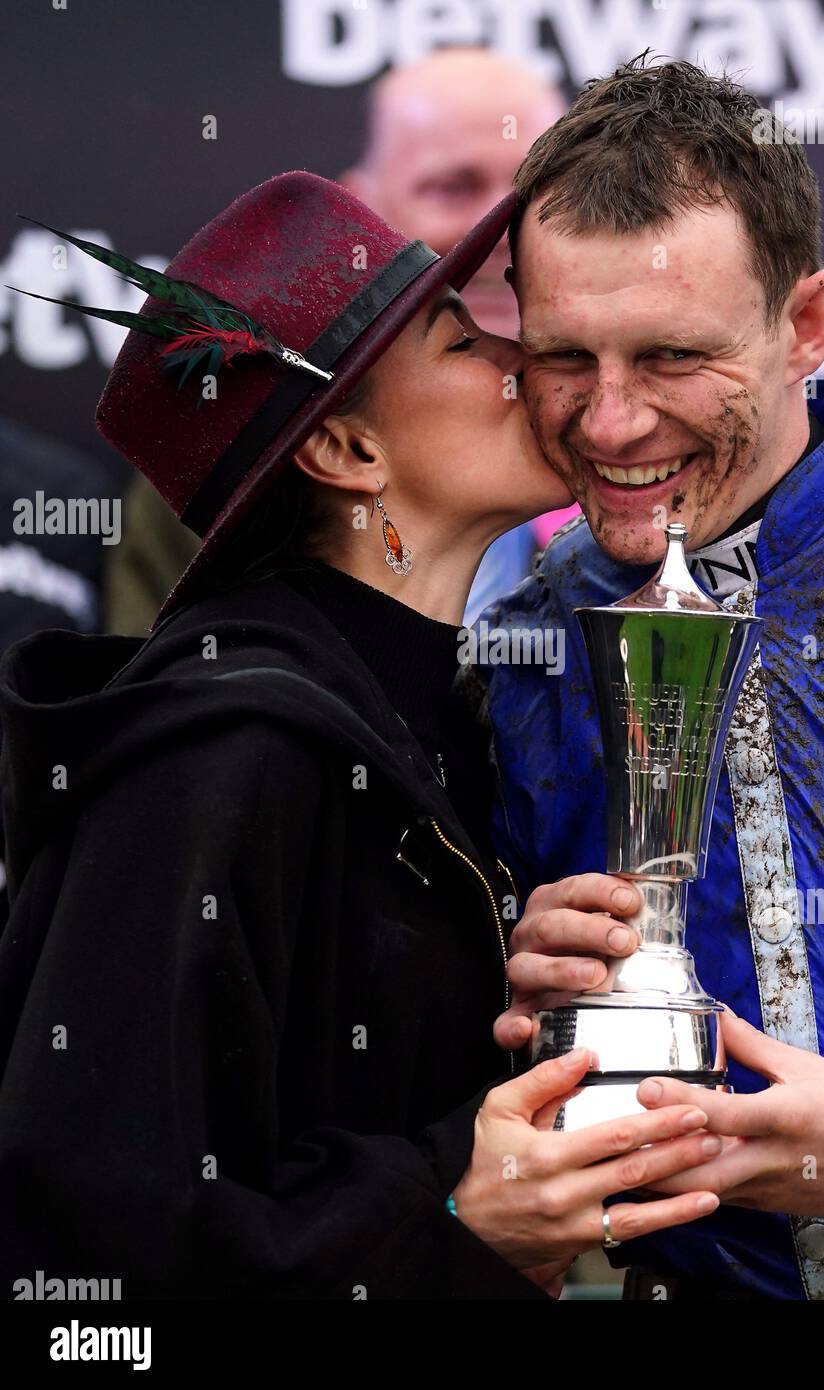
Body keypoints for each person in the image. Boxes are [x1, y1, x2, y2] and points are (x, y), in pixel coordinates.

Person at [0, 172, 725, 1300]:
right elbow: (94, 1237)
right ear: (346, 451)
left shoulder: (448, 723)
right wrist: (445, 1205)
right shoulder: (220, 752)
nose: (518, 365)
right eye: (458, 344)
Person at [476, 57, 824, 1300]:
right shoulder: (505, 649)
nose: (610, 426)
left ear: (808, 324)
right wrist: (495, 991)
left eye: (671, 357)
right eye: (567, 358)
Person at [106, 47, 573, 635]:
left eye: (536, 192)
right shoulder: (222, 474)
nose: (507, 228)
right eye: (455, 186)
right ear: (363, 208)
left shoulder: (646, 434)